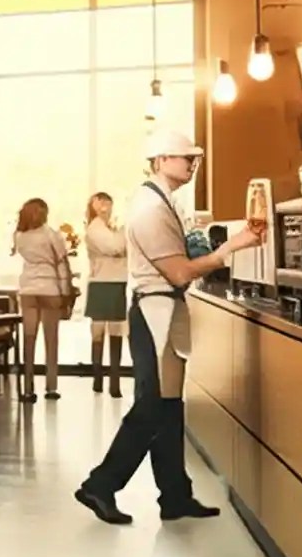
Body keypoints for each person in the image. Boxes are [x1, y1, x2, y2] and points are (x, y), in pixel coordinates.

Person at [75, 129, 262, 524]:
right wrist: (231, 248)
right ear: (159, 160)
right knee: (153, 406)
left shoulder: (164, 202)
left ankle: (175, 495)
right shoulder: (150, 209)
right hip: (155, 312)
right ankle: (100, 485)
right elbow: (177, 271)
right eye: (183, 157)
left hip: (164, 311)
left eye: (194, 157)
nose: (192, 163)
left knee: (169, 406)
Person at [12, 198, 74, 403]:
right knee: (51, 339)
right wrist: (66, 291)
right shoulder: (51, 234)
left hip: (27, 288)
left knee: (29, 338)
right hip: (50, 288)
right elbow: (62, 263)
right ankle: (51, 386)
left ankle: (28, 388)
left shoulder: (19, 235)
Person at [84, 192, 127, 398]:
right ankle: (99, 377)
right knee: (100, 331)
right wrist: (125, 235)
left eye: (109, 202)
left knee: (116, 330)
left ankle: (113, 380)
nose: (106, 206)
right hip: (103, 282)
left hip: (116, 281)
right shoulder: (95, 228)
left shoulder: (110, 227)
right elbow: (115, 248)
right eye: (100, 202)